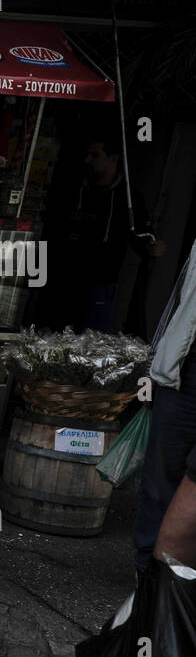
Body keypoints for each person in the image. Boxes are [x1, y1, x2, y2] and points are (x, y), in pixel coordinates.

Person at [51, 129, 164, 332]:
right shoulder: (74, 187)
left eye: (95, 155)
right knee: (54, 333)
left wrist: (153, 244)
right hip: (64, 277)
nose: (88, 160)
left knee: (89, 340)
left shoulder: (127, 197)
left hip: (101, 282)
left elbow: (142, 234)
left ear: (113, 158)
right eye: (87, 155)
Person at [132, 238, 196, 572]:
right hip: (185, 372)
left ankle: (181, 583)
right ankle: (149, 578)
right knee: (159, 479)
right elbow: (182, 298)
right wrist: (155, 362)